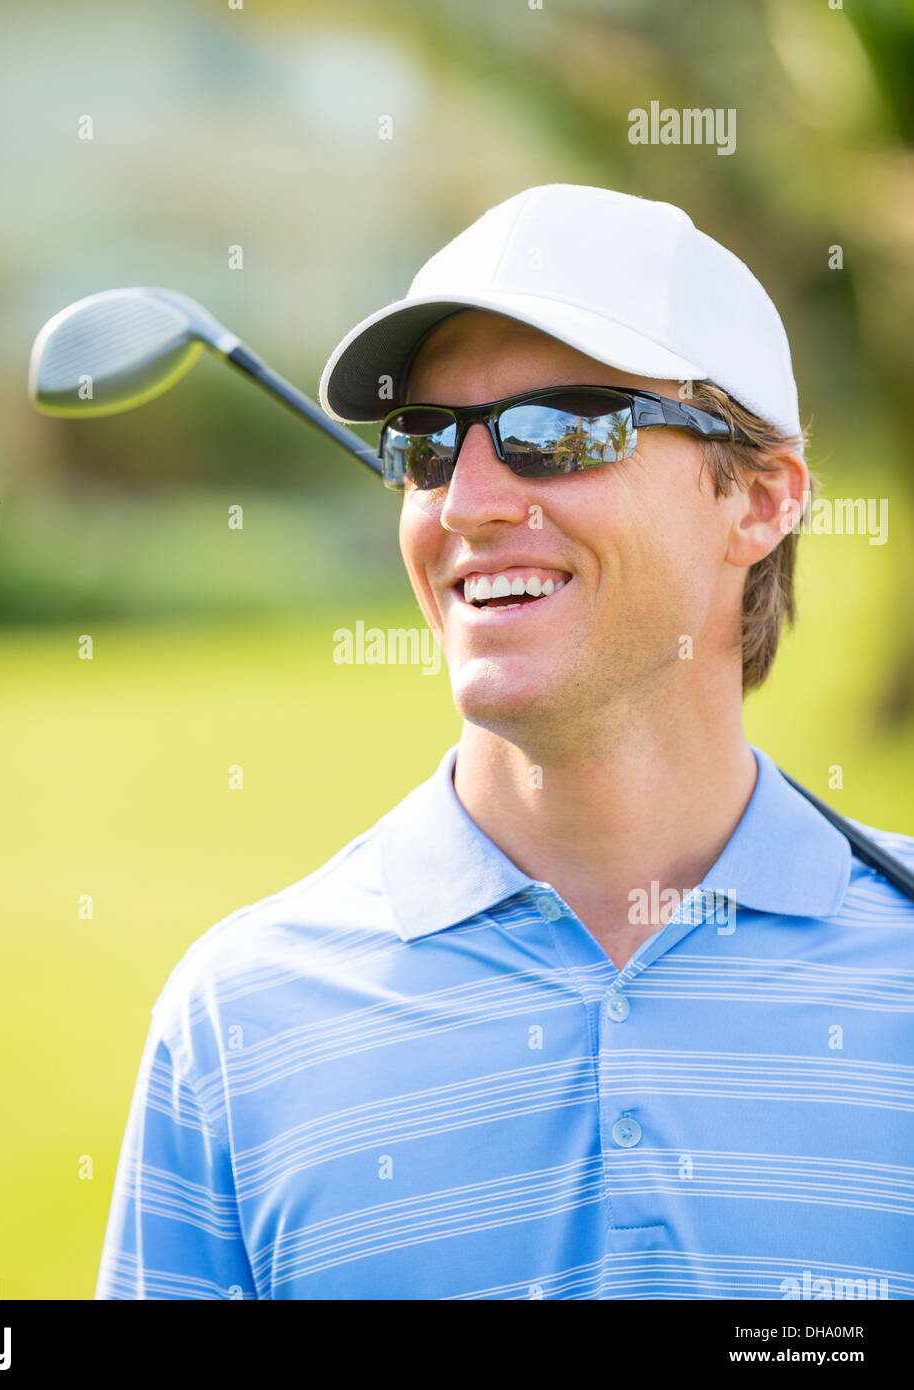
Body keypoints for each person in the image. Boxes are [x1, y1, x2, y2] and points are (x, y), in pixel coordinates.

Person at [95, 184, 914, 1301]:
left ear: (761, 498)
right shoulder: (239, 1015)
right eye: (428, 447)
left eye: (559, 431)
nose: (468, 501)